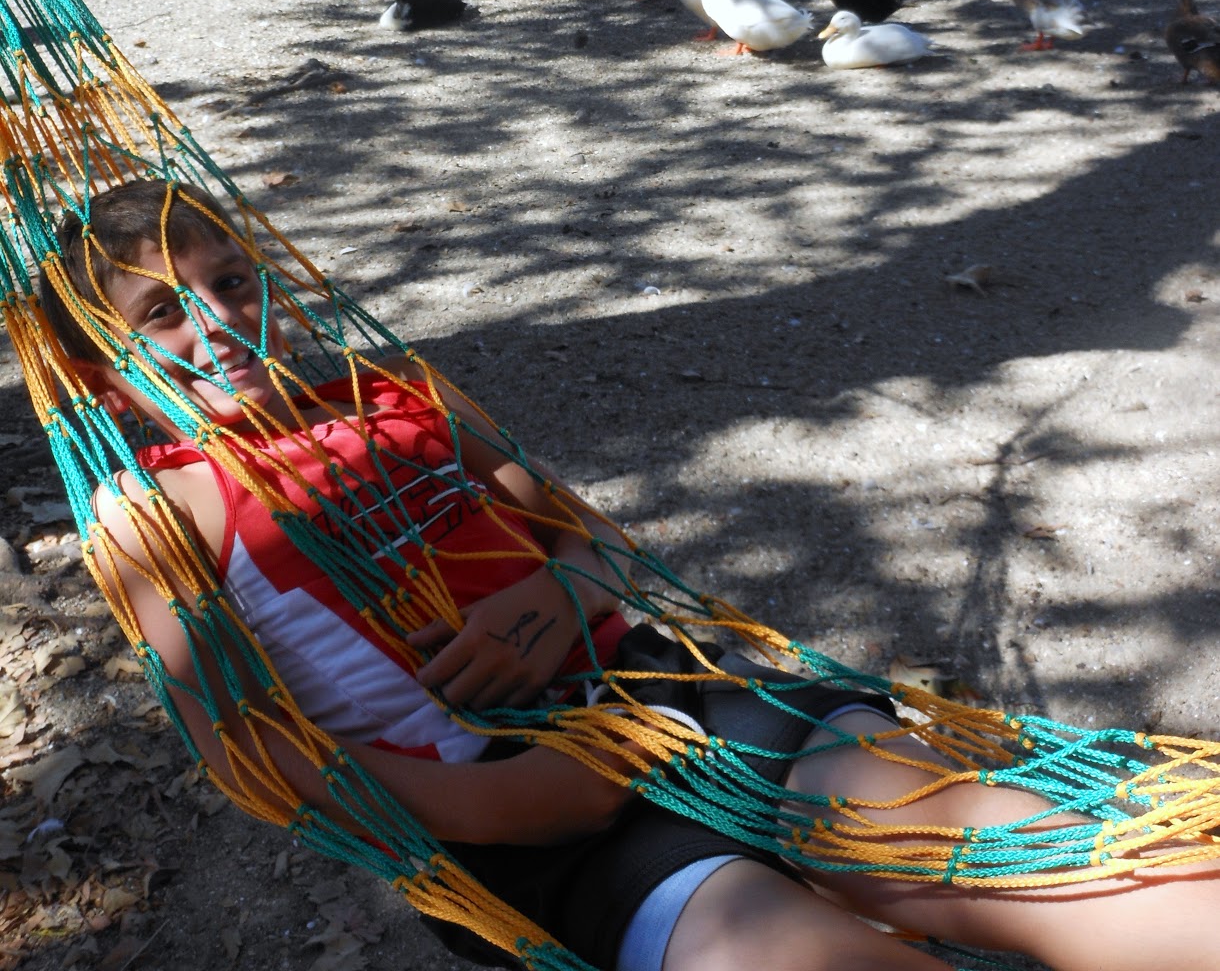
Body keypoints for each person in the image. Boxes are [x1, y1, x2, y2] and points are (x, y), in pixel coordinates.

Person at [40, 180, 1220, 971]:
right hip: (524, 816)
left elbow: (587, 539)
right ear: (101, 377)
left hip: (669, 695)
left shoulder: (392, 391)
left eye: (233, 280)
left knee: (1006, 855)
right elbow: (247, 741)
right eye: (162, 312)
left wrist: (558, 592)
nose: (220, 322)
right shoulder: (159, 511)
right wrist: (489, 807)